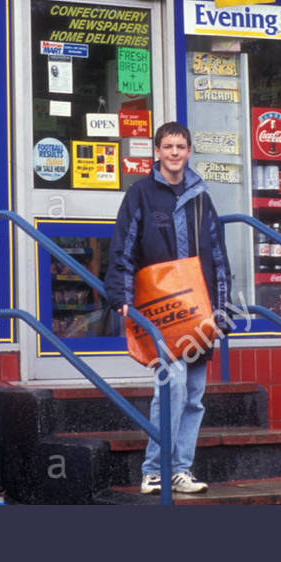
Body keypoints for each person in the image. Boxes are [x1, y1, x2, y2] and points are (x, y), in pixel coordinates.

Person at [104, 121, 232, 495]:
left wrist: (222, 308)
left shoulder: (202, 197)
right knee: (171, 383)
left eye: (181, 146)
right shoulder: (140, 194)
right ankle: (154, 469)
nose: (175, 153)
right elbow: (123, 247)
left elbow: (219, 256)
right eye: (168, 146)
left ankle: (180, 469)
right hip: (160, 310)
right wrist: (122, 298)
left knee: (194, 394)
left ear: (189, 152)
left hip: (198, 309)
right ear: (157, 152)